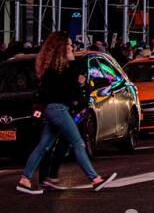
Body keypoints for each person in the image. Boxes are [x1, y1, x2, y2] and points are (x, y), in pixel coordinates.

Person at [16, 32, 116, 194]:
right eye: (68, 45)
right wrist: (75, 70)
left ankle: (25, 179)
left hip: (53, 109)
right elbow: (71, 86)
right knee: (77, 142)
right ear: (61, 48)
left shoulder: (53, 68)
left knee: (43, 146)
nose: (71, 48)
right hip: (58, 109)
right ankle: (95, 179)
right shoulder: (62, 68)